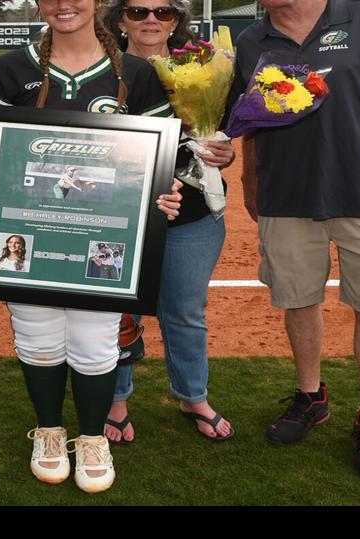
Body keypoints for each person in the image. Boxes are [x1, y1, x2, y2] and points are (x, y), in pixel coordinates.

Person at [0, 0, 186, 492]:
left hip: (106, 230)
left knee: (96, 341)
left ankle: (92, 438)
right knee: (37, 336)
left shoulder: (136, 72)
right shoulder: (10, 68)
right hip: (29, 225)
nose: (62, 4)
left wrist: (167, 188)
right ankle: (49, 432)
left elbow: (163, 153)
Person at [233, 0, 360, 478]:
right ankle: (310, 396)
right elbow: (251, 119)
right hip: (286, 195)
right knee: (298, 301)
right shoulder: (251, 41)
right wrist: (250, 181)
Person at [99, 0, 236, 443]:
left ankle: (193, 395)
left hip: (191, 212)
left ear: (177, 20)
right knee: (115, 310)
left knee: (185, 311)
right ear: (121, 19)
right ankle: (116, 399)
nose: (151, 20)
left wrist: (224, 151)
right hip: (117, 213)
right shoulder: (102, 69)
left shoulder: (202, 66)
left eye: (163, 12)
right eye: (138, 12)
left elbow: (219, 136)